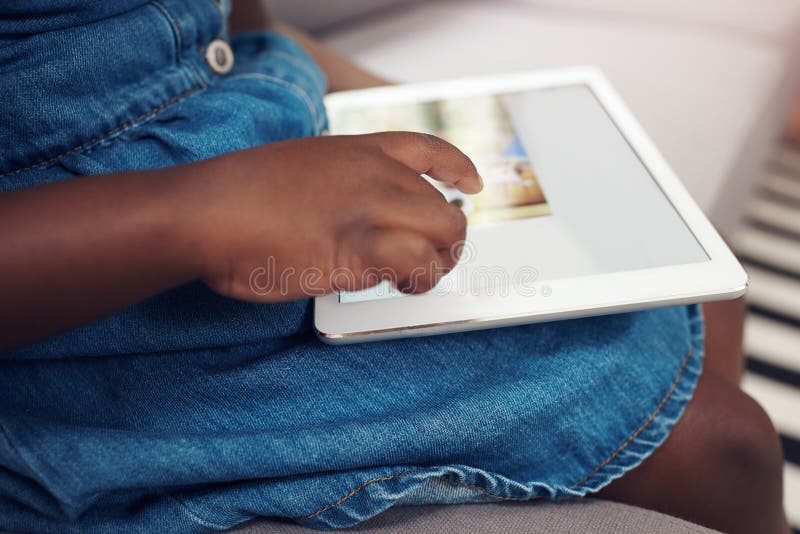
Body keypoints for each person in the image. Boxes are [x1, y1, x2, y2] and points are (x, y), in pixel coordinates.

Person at [0, 1, 789, 532]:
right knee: (730, 444)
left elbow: (240, 23)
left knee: (698, 270)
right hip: (105, 309)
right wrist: (197, 214)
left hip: (264, 114)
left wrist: (441, 107)